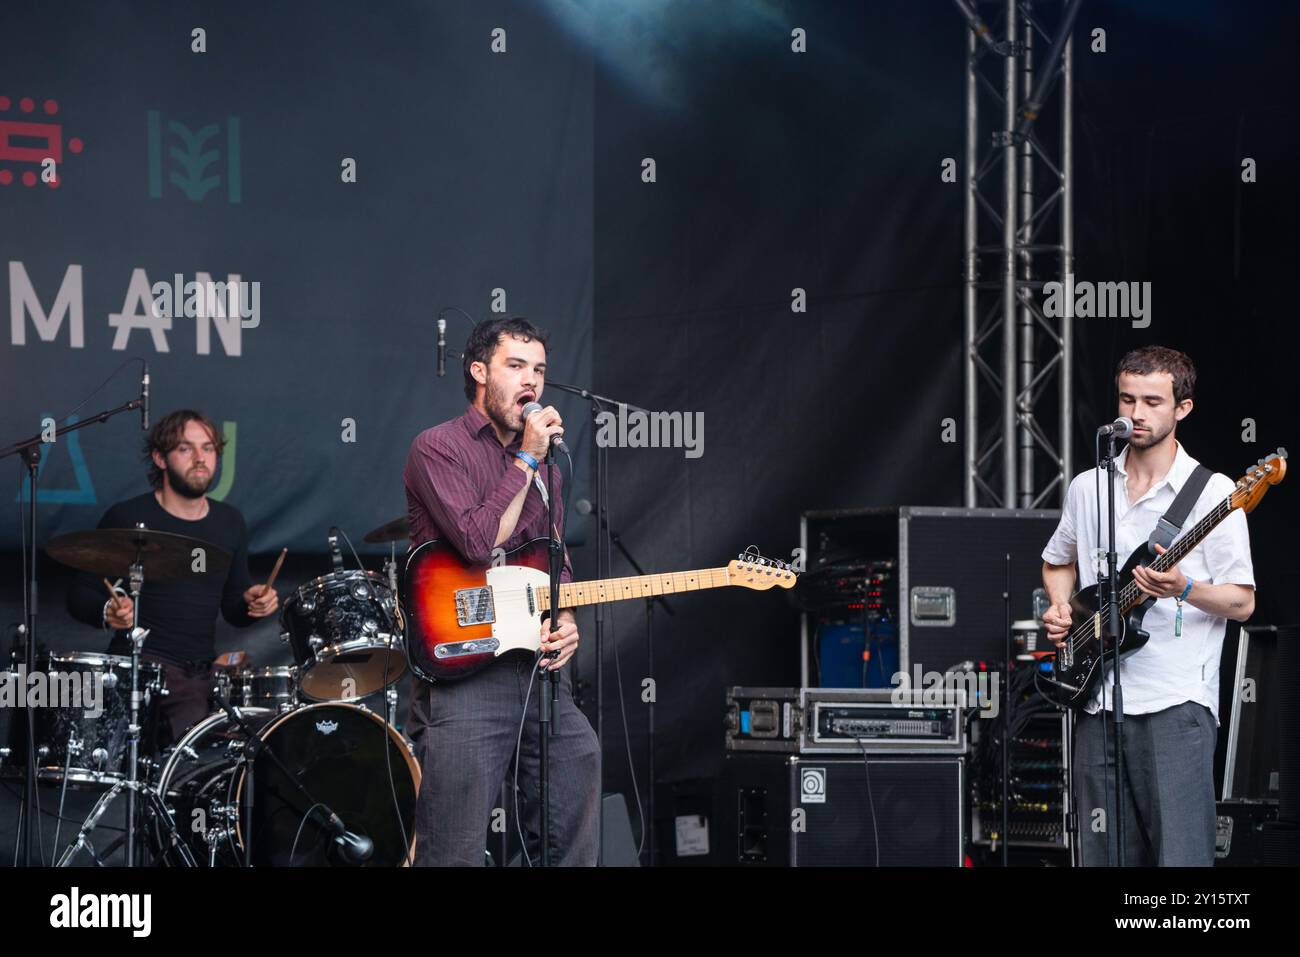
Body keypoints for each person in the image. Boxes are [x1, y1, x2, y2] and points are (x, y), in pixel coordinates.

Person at [1041, 346, 1255, 866]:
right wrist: (1061, 606)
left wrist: (1184, 588)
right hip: (1096, 699)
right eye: (1127, 399)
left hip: (1174, 703)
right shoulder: (1088, 487)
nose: (1135, 414)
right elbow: (1056, 561)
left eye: (1152, 402)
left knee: (1180, 858)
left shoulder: (1214, 492)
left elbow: (1242, 602)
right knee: (1102, 855)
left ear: (1182, 408)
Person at [403, 315, 600, 866]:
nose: (531, 380)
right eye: (515, 366)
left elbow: (552, 555)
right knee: (454, 848)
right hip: (465, 669)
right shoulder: (437, 447)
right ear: (479, 372)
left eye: (539, 369)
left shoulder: (550, 467)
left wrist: (567, 616)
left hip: (536, 666)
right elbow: (477, 540)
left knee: (580, 766)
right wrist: (527, 459)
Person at [67, 409, 279, 745]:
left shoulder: (229, 522)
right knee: (189, 734)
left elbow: (233, 607)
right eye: (185, 448)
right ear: (160, 458)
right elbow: (80, 594)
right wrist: (107, 610)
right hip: (145, 672)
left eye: (208, 448)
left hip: (203, 673)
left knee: (264, 735)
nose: (200, 458)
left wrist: (253, 604)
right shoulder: (129, 517)